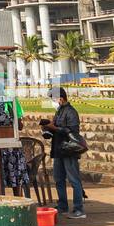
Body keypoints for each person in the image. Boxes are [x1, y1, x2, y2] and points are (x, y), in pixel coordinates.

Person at [41, 87, 86, 219]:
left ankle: (79, 209)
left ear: (61, 98)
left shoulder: (71, 112)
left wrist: (54, 127)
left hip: (69, 150)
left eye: (53, 99)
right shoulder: (59, 111)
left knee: (74, 180)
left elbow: (72, 132)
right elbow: (57, 127)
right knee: (59, 179)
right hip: (59, 150)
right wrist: (48, 128)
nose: (52, 102)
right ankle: (62, 206)